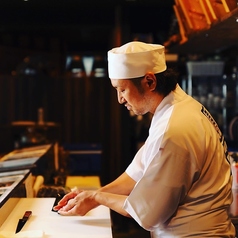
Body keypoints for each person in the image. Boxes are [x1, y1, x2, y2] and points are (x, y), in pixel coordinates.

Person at [54, 41, 235, 237]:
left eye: (122, 90)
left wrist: (98, 197)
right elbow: (138, 172)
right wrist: (88, 196)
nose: (119, 99)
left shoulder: (175, 128)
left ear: (150, 82)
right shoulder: (176, 108)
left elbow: (147, 212)